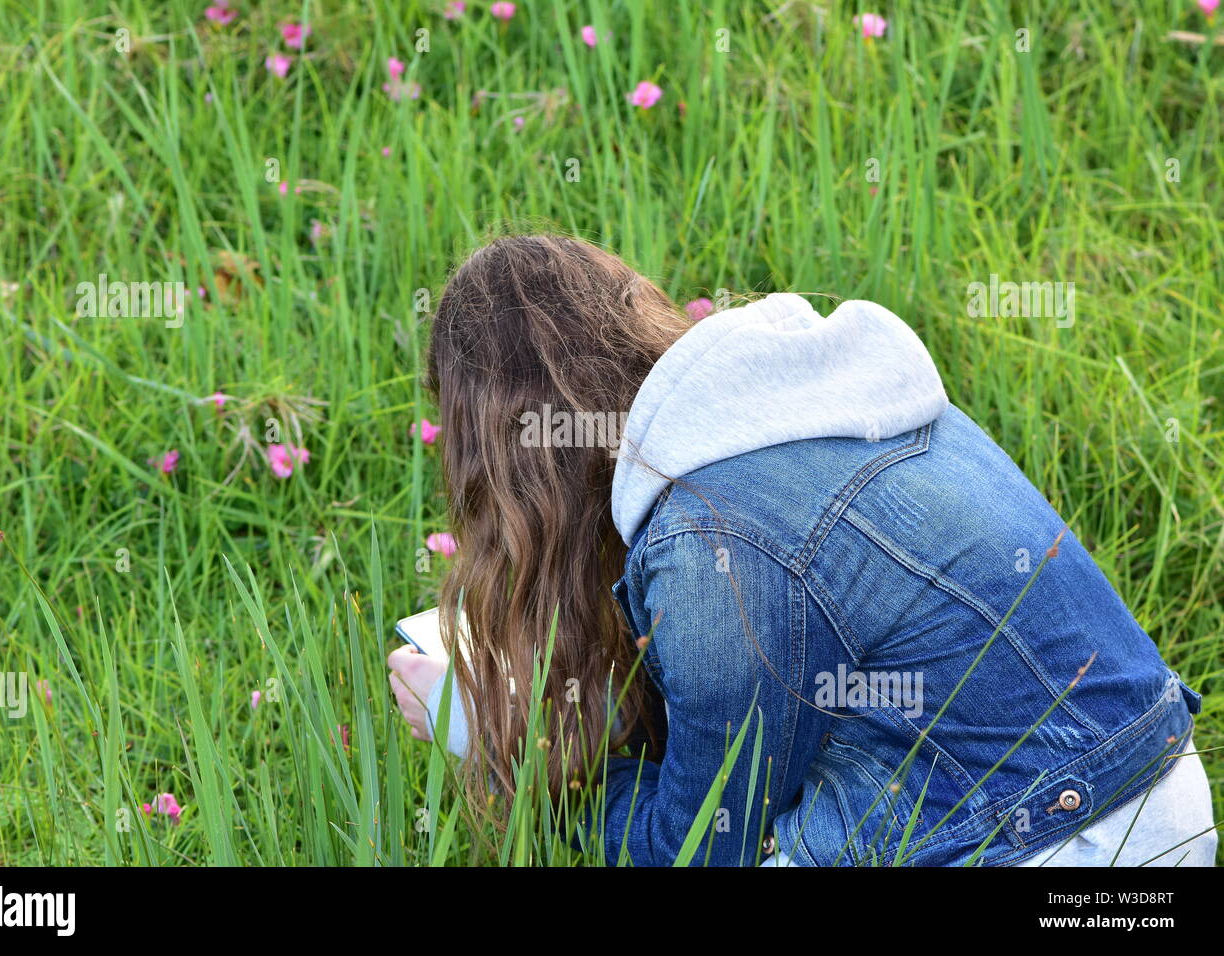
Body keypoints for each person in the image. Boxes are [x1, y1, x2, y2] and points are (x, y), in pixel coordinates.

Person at [387, 234, 1215, 867]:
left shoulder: (707, 535)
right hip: (1161, 803)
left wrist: (493, 735)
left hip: (1060, 846)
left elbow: (698, 846)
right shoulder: (825, 405)